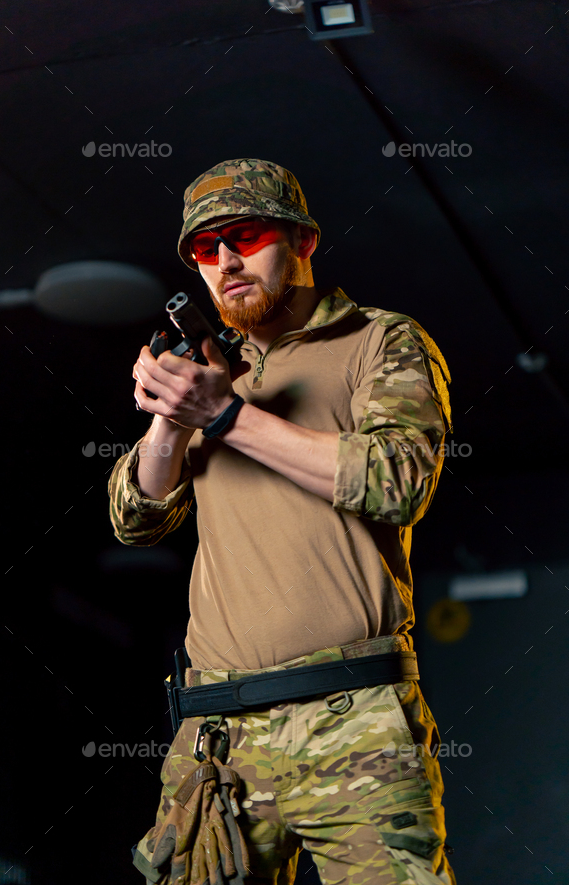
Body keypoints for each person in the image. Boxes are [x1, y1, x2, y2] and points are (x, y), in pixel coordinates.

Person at [108, 158, 456, 885]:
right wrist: (172, 422)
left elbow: (398, 480)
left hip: (354, 715)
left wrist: (226, 416)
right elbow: (133, 519)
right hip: (218, 733)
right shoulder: (206, 370)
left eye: (245, 235)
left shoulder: (378, 340)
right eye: (206, 248)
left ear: (302, 240)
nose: (226, 261)